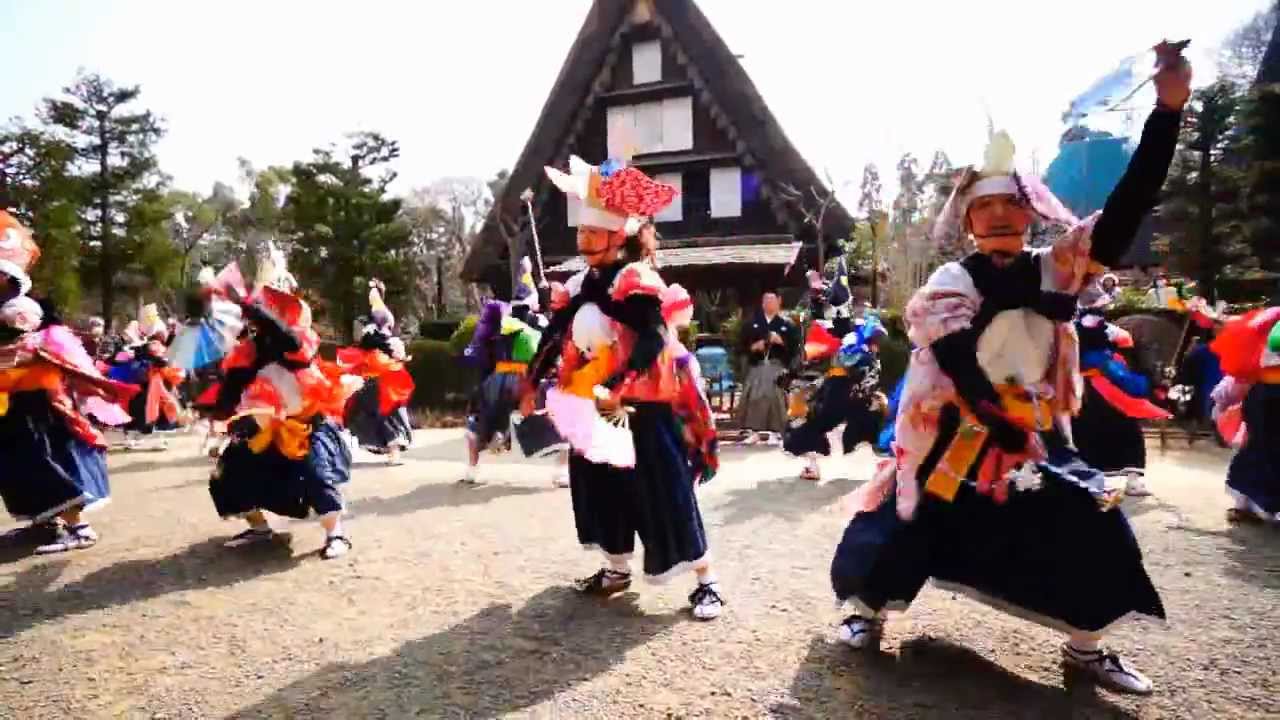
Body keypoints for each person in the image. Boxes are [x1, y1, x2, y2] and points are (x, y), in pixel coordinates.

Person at [828, 46, 1188, 695]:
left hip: (1033, 418)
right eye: (983, 208)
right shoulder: (949, 278)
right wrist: (999, 428)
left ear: (1030, 213)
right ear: (967, 221)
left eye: (1010, 206)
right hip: (956, 424)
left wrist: (1167, 114)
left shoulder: (1060, 267)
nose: (998, 215)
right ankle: (866, 612)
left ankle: (1086, 644)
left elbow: (1129, 207)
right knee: (907, 521)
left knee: (1089, 513)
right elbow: (958, 361)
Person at [531, 151, 725, 620]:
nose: (583, 240)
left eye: (592, 232)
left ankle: (706, 581)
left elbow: (652, 339)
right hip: (595, 406)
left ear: (619, 235)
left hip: (643, 406)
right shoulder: (580, 284)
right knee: (599, 489)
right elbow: (557, 332)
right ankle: (615, 568)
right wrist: (533, 376)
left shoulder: (635, 281)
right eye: (580, 231)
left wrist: (618, 383)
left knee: (666, 493)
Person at [0, 210, 138, 554]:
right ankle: (46, 521)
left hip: (35, 404)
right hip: (12, 402)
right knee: (14, 464)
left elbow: (37, 352)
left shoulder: (19, 309)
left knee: (40, 461)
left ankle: (80, 527)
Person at [206, 253, 356, 559]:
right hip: (265, 429)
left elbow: (285, 338)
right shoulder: (248, 350)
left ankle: (336, 534)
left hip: (305, 426)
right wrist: (219, 419)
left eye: (273, 304)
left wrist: (251, 306)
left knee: (316, 476)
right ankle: (260, 529)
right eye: (266, 304)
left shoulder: (300, 340)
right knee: (229, 473)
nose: (268, 310)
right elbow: (232, 390)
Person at [783, 263, 886, 481]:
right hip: (850, 385)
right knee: (864, 420)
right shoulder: (852, 326)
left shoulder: (840, 327)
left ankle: (814, 466)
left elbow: (812, 356)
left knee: (812, 422)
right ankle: (880, 465)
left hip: (840, 386)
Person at [1071, 288, 1171, 496]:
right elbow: (1132, 352)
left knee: (1090, 431)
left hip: (1091, 386)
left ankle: (1095, 479)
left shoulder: (1071, 329)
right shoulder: (1112, 332)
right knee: (1120, 430)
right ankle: (1127, 480)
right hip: (1106, 386)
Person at [1209, 306, 1280, 524]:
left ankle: (1248, 502)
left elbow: (1238, 379)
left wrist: (1220, 400)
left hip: (1263, 396)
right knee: (1265, 447)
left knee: (1261, 446)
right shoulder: (1269, 322)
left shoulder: (1266, 321)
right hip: (1266, 398)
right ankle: (1257, 502)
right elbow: (1239, 378)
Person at [338, 279, 414, 466]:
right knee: (370, 410)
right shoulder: (366, 321)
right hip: (372, 370)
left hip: (384, 371)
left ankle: (393, 450)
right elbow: (365, 340)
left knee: (386, 411)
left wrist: (390, 347)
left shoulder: (382, 318)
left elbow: (379, 340)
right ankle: (388, 448)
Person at [735, 291, 798, 445]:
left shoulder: (787, 324)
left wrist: (781, 342)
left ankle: (775, 432)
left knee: (775, 397)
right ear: (762, 304)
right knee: (754, 397)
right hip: (758, 365)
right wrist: (753, 347)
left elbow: (795, 349)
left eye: (772, 301)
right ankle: (754, 431)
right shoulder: (752, 323)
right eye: (766, 301)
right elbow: (741, 347)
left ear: (779, 302)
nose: (769, 304)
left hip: (777, 366)